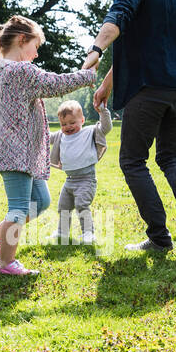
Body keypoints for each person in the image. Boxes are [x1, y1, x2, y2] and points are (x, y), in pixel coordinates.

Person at [82, 0, 176, 253]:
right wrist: (107, 84)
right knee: (170, 156)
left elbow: (116, 16)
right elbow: (139, 44)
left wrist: (94, 51)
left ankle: (160, 238)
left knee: (133, 161)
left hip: (148, 89)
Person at [0, 16, 97, 276]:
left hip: (24, 154)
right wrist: (87, 76)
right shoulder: (20, 72)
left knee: (42, 201)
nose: (36, 54)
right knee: (19, 209)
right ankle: (6, 264)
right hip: (15, 154)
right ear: (22, 40)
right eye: (35, 46)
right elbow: (57, 84)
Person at [47, 100, 113, 245]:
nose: (68, 127)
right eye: (64, 124)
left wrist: (103, 111)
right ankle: (62, 232)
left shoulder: (89, 131)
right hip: (69, 180)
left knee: (82, 205)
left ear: (82, 120)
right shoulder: (60, 135)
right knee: (63, 206)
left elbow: (106, 127)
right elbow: (46, 138)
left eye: (72, 122)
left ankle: (88, 233)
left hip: (86, 179)